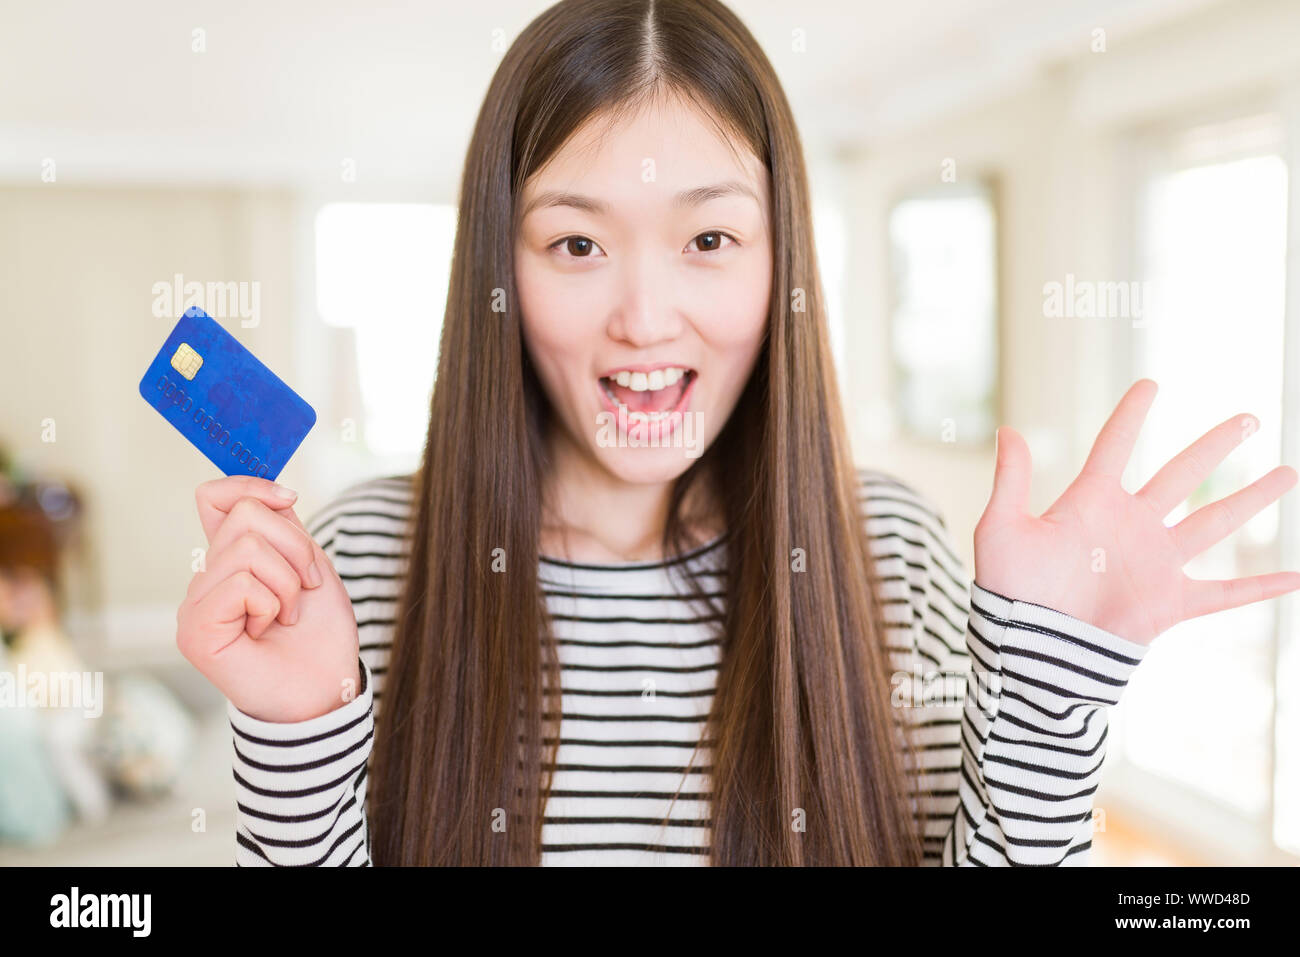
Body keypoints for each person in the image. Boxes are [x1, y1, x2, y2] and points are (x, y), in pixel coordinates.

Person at [174, 0, 1299, 866]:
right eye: (577, 245)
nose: (646, 318)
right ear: (496, 272)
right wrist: (294, 729)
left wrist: (1047, 688)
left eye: (708, 240)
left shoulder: (888, 553)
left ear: (781, 260)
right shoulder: (361, 561)